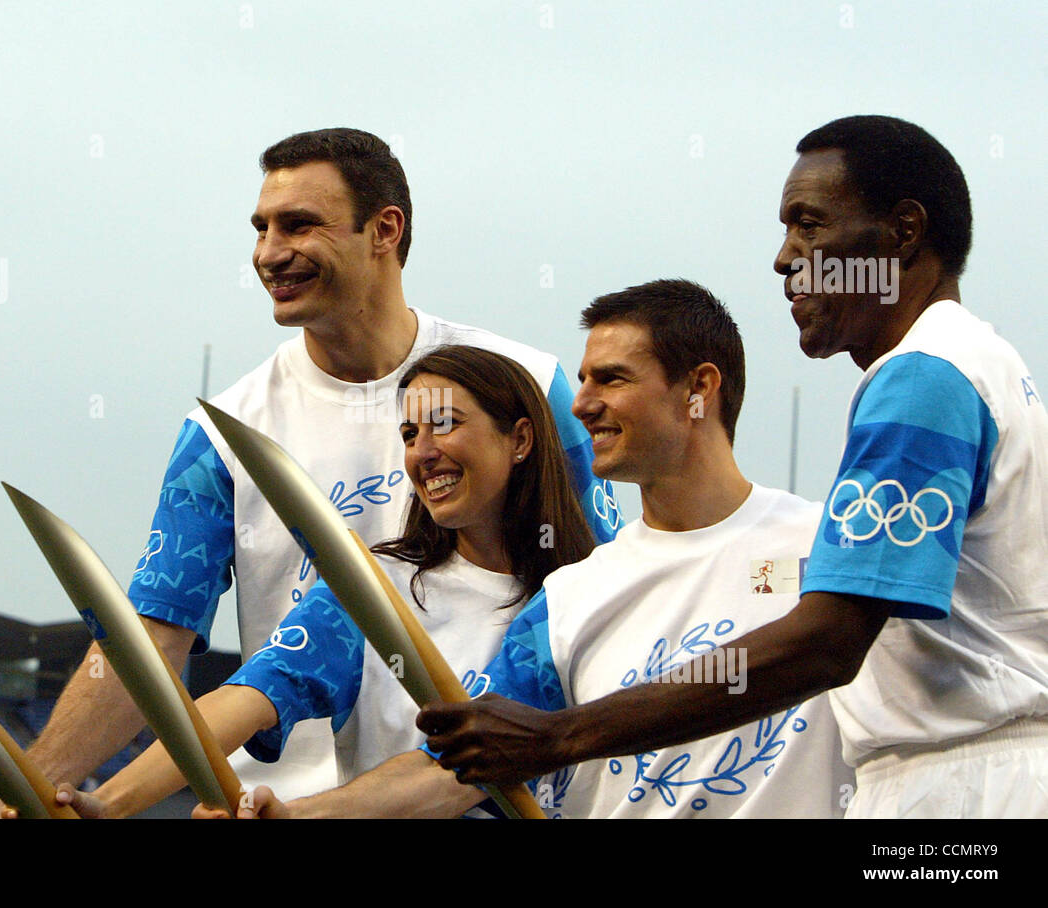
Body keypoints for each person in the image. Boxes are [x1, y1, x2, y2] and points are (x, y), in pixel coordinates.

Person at [416, 117, 1048, 819]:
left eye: (809, 226)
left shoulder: (924, 379)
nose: (785, 259)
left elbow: (829, 644)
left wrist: (563, 735)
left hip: (967, 793)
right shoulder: (984, 366)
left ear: (903, 231)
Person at [0, 129, 621, 814]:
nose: (269, 252)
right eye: (260, 228)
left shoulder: (533, 387)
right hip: (283, 805)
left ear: (384, 230)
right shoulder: (225, 435)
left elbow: (608, 594)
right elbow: (154, 645)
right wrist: (29, 789)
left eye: (298, 225)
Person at [203, 280, 851, 819]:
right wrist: (298, 816)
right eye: (586, 380)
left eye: (612, 379)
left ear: (698, 390)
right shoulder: (572, 595)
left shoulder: (829, 552)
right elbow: (451, 770)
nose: (586, 403)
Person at [52, 346, 597, 818]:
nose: (424, 451)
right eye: (409, 433)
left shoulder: (591, 596)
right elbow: (246, 699)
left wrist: (300, 814)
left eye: (446, 424)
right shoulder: (372, 591)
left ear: (520, 438)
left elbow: (449, 776)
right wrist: (111, 803)